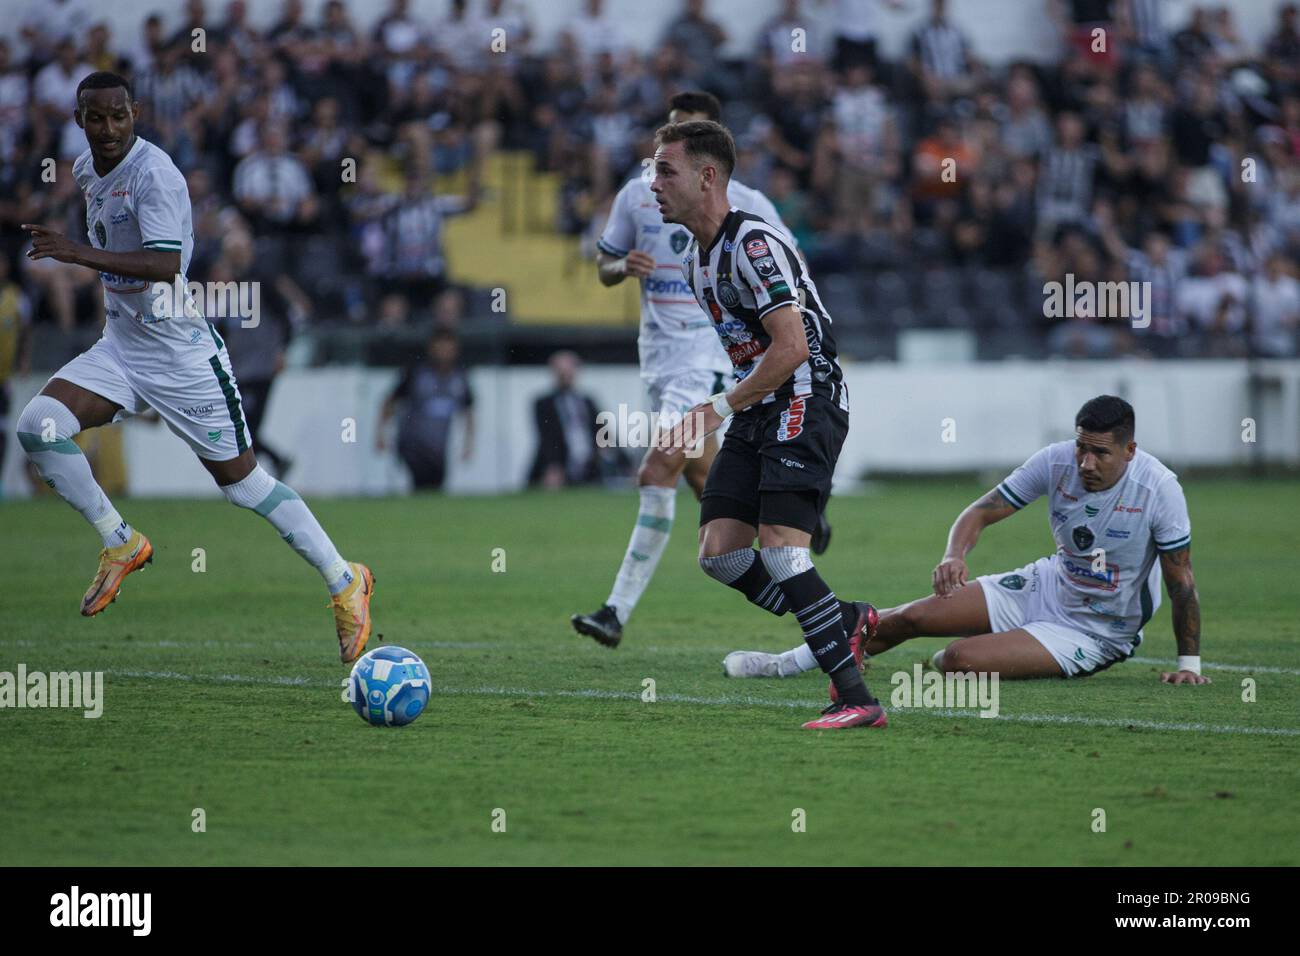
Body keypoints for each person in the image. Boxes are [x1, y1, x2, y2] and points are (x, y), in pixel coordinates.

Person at [17, 72, 375, 662]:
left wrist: (77, 252)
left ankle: (345, 580)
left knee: (243, 485)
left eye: (118, 116)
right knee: (38, 425)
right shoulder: (84, 170)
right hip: (122, 345)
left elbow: (164, 264)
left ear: (135, 113)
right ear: (79, 119)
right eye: (95, 118)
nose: (107, 129)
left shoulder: (156, 174)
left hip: (181, 353)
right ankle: (120, 540)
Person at [571, 91, 829, 650]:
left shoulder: (751, 205)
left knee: (657, 467)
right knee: (698, 477)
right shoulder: (639, 198)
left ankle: (614, 611)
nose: (663, 169)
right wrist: (621, 267)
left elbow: (788, 271)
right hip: (659, 358)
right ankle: (807, 561)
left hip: (711, 355)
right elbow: (602, 263)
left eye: (681, 148)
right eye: (665, 145)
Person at [652, 119, 883, 730]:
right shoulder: (695, 260)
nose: (654, 183)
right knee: (719, 553)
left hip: (805, 394)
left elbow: (791, 349)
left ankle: (855, 697)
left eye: (665, 170)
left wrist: (715, 408)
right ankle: (843, 620)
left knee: (782, 547)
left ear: (707, 177)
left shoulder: (753, 243)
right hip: (760, 406)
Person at [724, 396, 1210, 686]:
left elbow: (1181, 582)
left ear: (1130, 450)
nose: (1085, 463)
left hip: (1096, 629)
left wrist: (1188, 663)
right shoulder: (1057, 461)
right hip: (1048, 585)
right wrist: (955, 554)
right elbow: (979, 511)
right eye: (1081, 447)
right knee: (910, 616)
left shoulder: (1159, 490)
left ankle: (1008, 648)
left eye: (1100, 453)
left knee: (957, 660)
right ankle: (784, 665)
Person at [376, 329, 475, 491]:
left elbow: (468, 410)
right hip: (412, 443)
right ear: (431, 348)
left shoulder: (460, 377)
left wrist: (468, 443)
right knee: (421, 480)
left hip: (439, 446)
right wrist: (380, 433)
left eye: (448, 348)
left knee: (435, 486)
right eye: (440, 347)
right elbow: (390, 402)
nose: (444, 352)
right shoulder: (417, 373)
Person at [528, 350, 601, 489]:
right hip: (558, 466)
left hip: (590, 468)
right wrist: (553, 466)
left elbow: (604, 433)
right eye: (561, 371)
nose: (565, 375)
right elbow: (546, 438)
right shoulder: (543, 403)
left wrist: (625, 464)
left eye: (569, 370)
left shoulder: (587, 401)